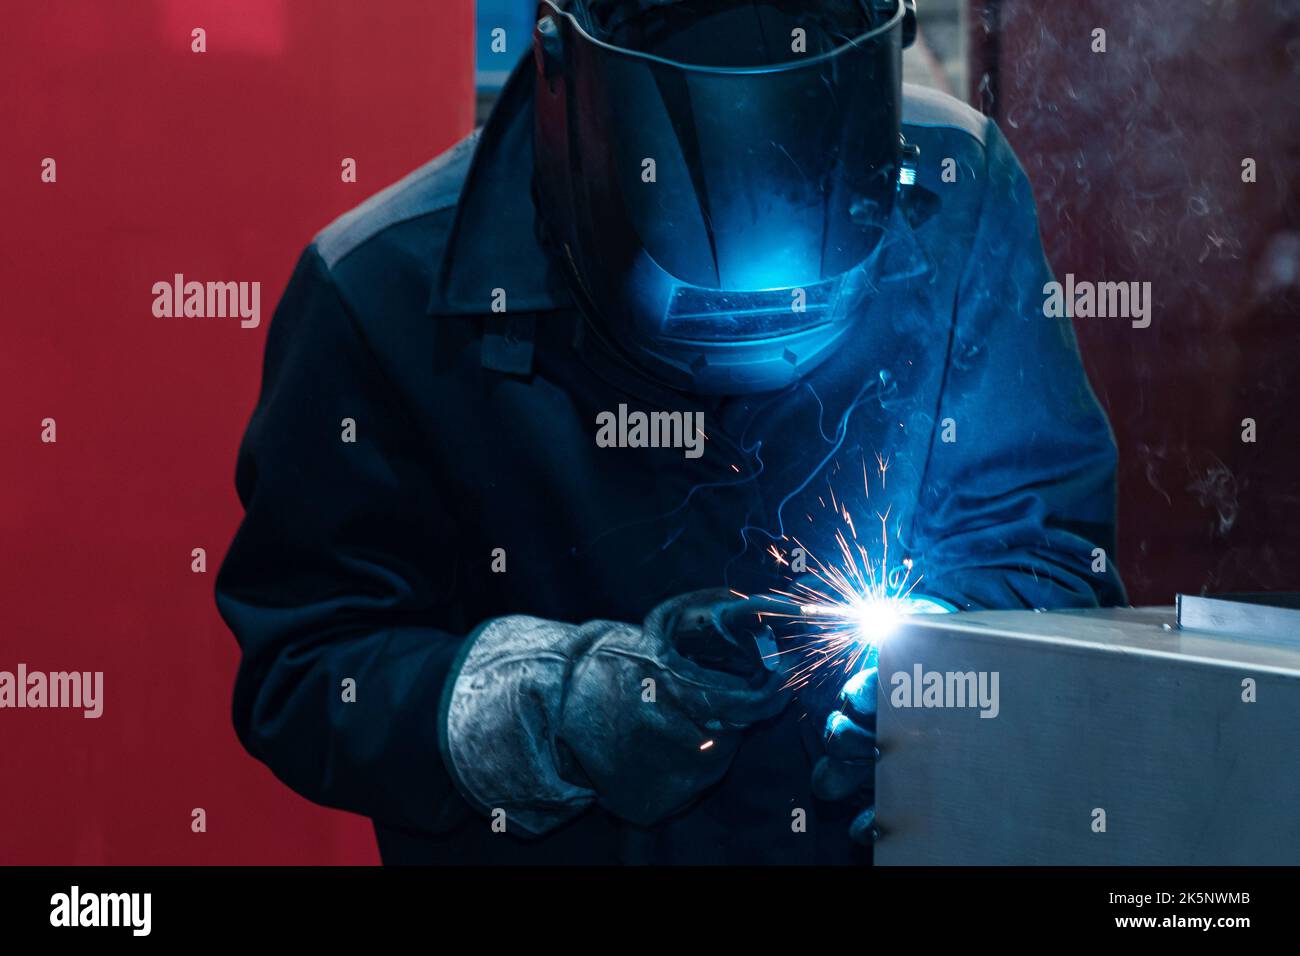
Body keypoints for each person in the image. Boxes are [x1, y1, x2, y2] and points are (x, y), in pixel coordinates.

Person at [216, 0, 1125, 865]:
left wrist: (951, 653)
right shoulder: (383, 293)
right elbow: (306, 666)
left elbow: (1049, 546)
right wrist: (546, 710)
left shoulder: (957, 195)